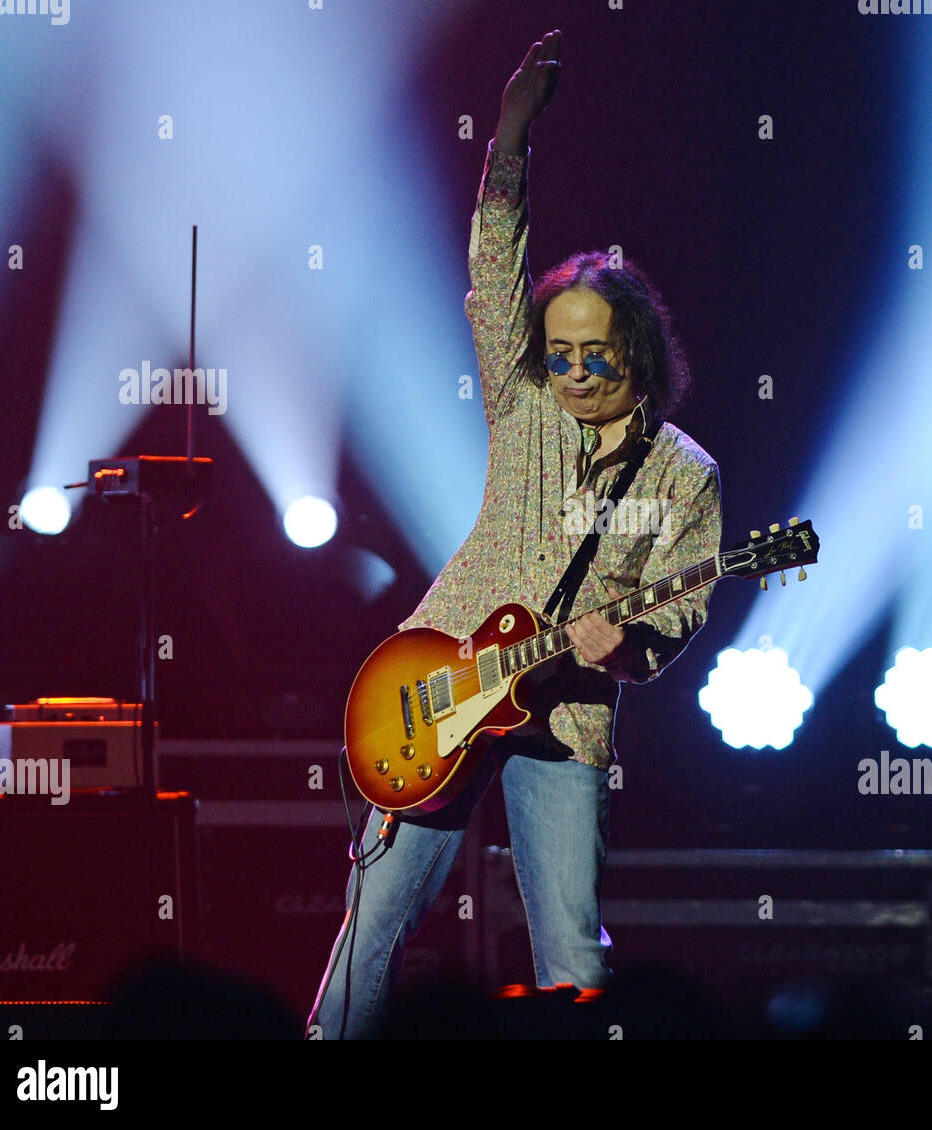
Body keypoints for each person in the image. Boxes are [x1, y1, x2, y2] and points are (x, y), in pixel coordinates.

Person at [307, 29, 722, 1039]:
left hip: (565, 716)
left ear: (635, 349)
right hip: (433, 683)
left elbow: (683, 609)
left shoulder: (684, 473)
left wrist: (626, 648)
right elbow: (494, 270)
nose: (574, 370)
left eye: (595, 354)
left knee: (573, 956)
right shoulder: (525, 404)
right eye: (561, 351)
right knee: (375, 923)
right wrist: (511, 133)